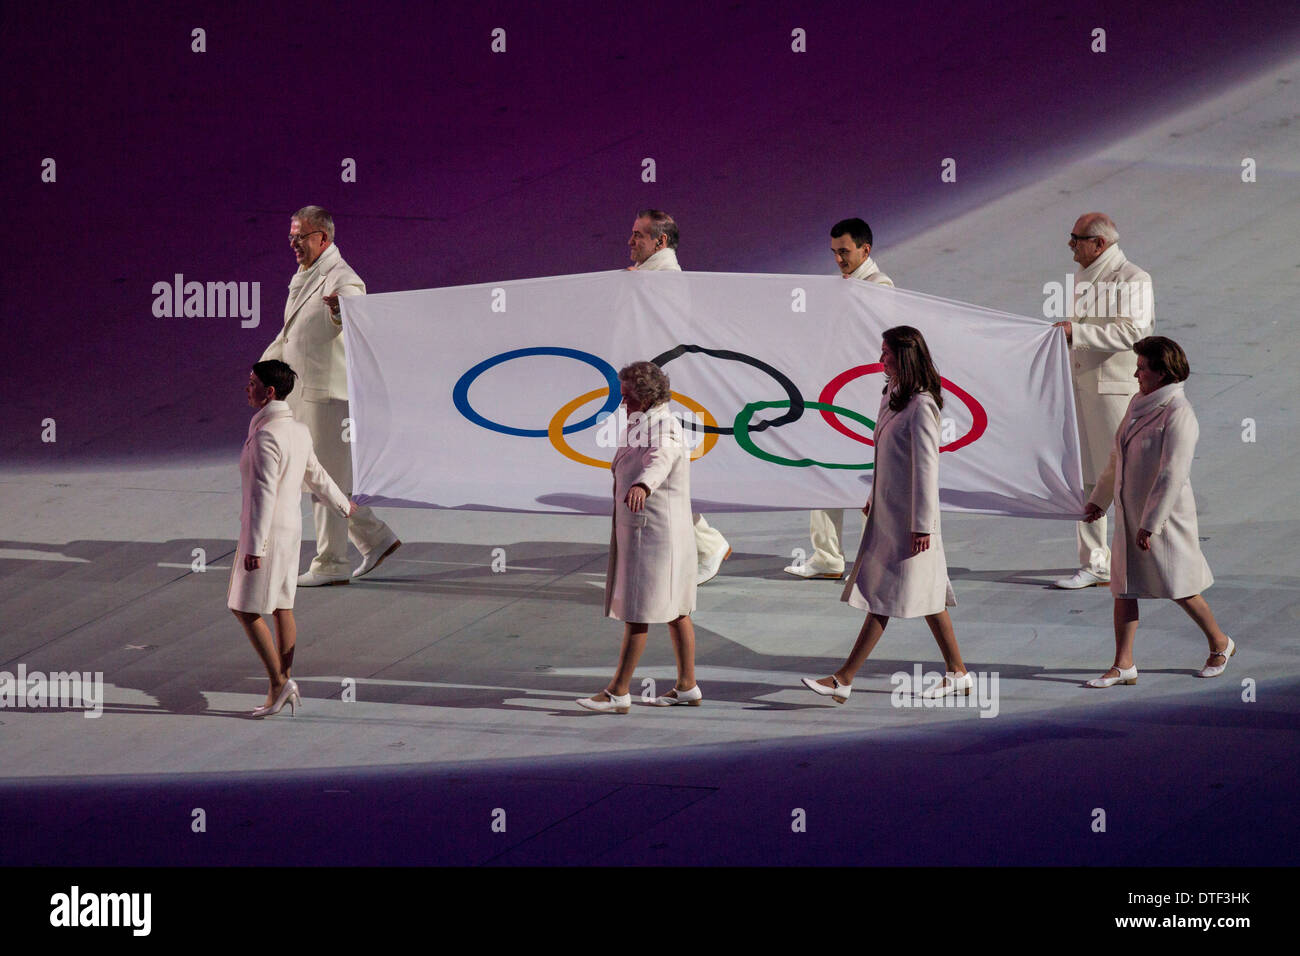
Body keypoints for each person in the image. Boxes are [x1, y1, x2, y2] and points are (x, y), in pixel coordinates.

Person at [801, 326, 969, 702]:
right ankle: (957, 671)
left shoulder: (922, 405)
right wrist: (874, 495)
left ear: (904, 357)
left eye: (887, 354)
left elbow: (927, 469)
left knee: (882, 596)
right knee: (927, 596)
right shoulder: (893, 395)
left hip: (911, 523)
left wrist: (922, 524)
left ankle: (844, 678)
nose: (881, 361)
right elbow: (886, 456)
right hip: (891, 515)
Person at [259, 205, 400, 587]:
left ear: (323, 238)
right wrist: (265, 365)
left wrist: (343, 312)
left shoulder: (342, 278)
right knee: (323, 480)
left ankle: (331, 563)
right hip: (307, 396)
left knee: (324, 482)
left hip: (329, 399)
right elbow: (291, 333)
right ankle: (375, 537)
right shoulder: (305, 274)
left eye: (300, 236)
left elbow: (356, 310)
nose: (293, 243)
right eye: (291, 236)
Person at [1081, 337, 1234, 687]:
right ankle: (1123, 665)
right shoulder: (1139, 402)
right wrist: (1100, 501)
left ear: (1162, 373)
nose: (1135, 373)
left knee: (1179, 587)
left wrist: (1150, 524)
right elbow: (1115, 459)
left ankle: (1220, 644)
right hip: (1130, 515)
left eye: (1142, 368)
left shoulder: (1179, 414)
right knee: (1124, 588)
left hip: (1164, 520)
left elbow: (1172, 475)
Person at [229, 361, 356, 718]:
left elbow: (262, 496)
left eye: (252, 383)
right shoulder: (295, 429)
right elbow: (315, 473)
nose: (247, 387)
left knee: (243, 607)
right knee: (282, 605)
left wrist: (255, 548)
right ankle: (281, 681)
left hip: (265, 534)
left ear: (270, 392)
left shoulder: (268, 434)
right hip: (289, 532)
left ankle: (279, 681)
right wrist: (343, 505)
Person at [578, 362, 701, 713]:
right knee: (677, 610)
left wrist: (643, 483)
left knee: (638, 609)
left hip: (654, 536)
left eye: (627, 396)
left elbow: (661, 460)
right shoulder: (642, 422)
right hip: (657, 533)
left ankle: (618, 691)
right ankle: (687, 685)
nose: (622, 403)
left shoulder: (665, 429)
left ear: (647, 396)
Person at [625, 209, 731, 585]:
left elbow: (663, 333)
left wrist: (633, 290)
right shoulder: (648, 278)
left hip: (656, 394)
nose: (630, 241)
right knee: (653, 468)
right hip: (645, 389)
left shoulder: (665, 280)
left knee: (659, 468)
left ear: (661, 242)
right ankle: (701, 543)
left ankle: (707, 544)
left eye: (639, 235)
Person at [786, 217, 894, 580]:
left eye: (844, 252)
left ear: (866, 250)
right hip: (835, 399)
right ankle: (828, 557)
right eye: (833, 253)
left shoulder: (879, 288)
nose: (838, 260)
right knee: (825, 472)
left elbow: (868, 348)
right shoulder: (846, 286)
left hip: (862, 403)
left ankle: (871, 560)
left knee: (865, 480)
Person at [1052, 212, 1154, 589]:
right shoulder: (1084, 277)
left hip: (1114, 391)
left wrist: (1074, 331)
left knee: (1126, 476)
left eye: (1076, 238)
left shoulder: (1133, 279)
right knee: (1088, 479)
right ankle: (1095, 561)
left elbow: (1133, 332)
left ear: (1100, 244)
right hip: (1083, 388)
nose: (1070, 245)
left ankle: (1144, 553)